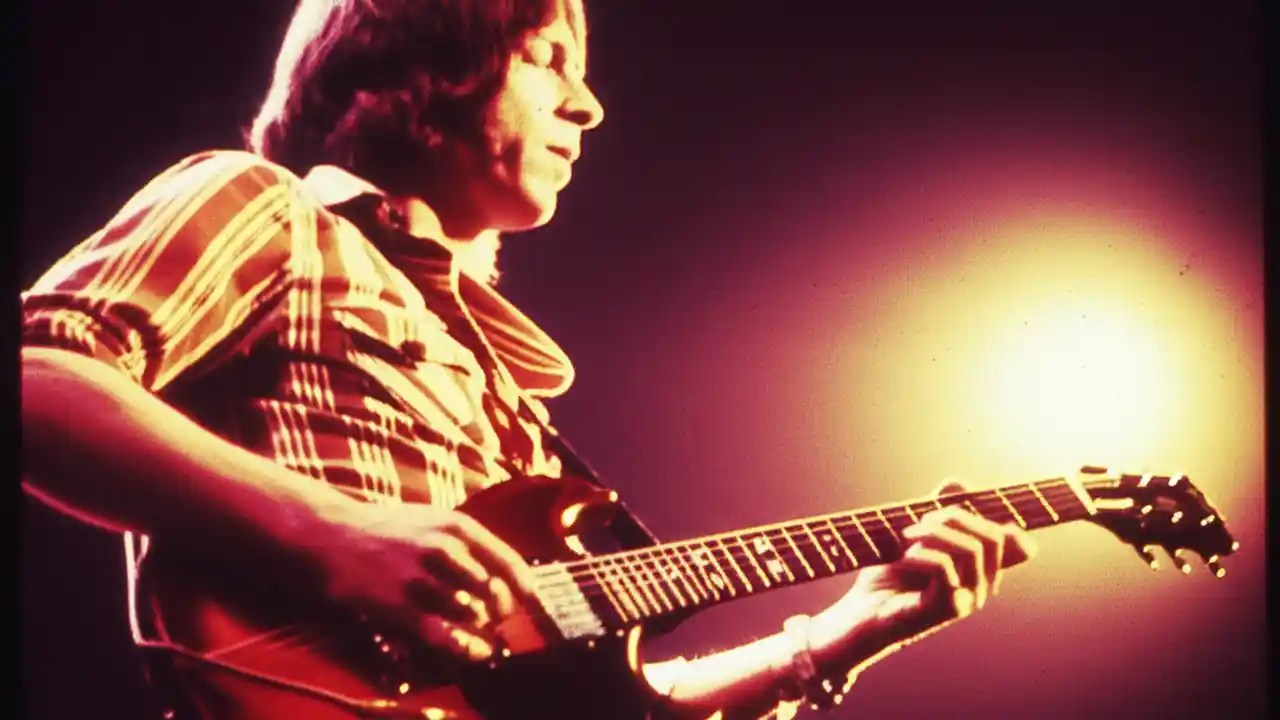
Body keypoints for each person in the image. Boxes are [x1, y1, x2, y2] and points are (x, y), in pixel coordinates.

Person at [20, 1, 1036, 718]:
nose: (587, 106)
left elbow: (606, 707)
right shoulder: (268, 208)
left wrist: (833, 636)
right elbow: (37, 379)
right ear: (419, 58)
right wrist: (332, 532)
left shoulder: (515, 407)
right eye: (548, 56)